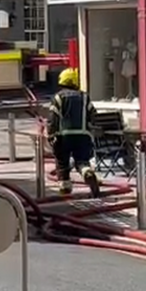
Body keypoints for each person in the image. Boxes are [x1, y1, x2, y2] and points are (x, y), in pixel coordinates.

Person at [46, 68, 101, 198]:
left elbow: (53, 119)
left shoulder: (58, 97)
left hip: (63, 137)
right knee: (82, 160)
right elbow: (93, 115)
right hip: (83, 136)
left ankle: (65, 186)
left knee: (62, 162)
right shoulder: (85, 97)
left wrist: (51, 134)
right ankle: (87, 172)